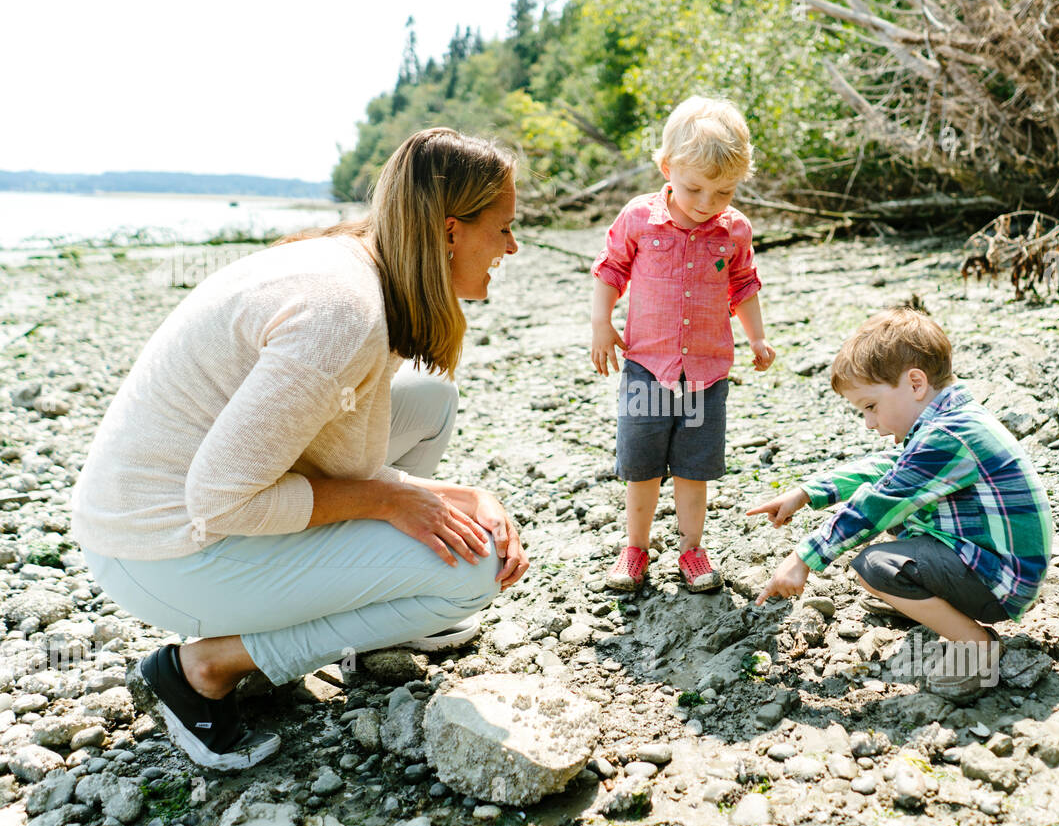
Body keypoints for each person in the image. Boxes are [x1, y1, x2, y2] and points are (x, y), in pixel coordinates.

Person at [70, 127, 529, 770]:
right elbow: (221, 501)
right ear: (451, 231)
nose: (512, 245)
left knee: (427, 399)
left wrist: (454, 495)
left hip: (184, 503)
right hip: (160, 550)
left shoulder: (360, 261)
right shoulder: (343, 314)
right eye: (503, 227)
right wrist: (390, 502)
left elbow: (324, 449)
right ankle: (203, 666)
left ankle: (369, 615)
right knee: (471, 571)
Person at [747, 307, 1052, 703]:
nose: (870, 423)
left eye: (871, 407)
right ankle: (934, 603)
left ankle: (979, 647)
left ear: (915, 383)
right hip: (998, 564)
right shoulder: (951, 419)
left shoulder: (947, 435)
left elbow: (880, 503)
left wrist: (803, 558)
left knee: (875, 565)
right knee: (901, 531)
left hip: (1003, 582)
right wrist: (808, 492)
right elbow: (888, 468)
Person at [590, 96, 776, 594]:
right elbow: (610, 269)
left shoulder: (733, 229)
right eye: (695, 188)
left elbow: (744, 284)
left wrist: (757, 336)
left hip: (707, 375)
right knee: (642, 466)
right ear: (667, 167)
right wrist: (601, 323)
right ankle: (635, 549)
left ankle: (692, 551)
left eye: (724, 191)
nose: (707, 202)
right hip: (646, 366)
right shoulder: (640, 219)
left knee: (694, 470)